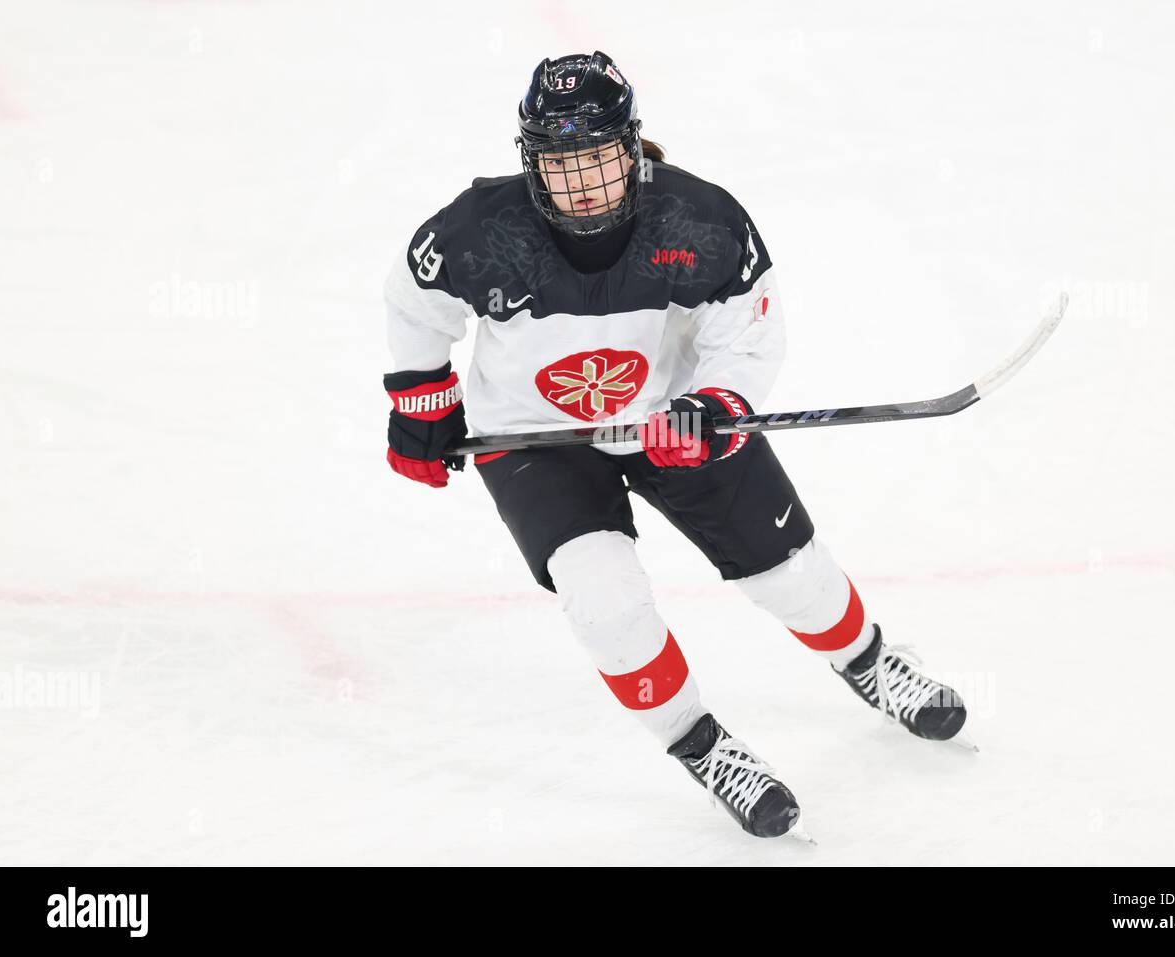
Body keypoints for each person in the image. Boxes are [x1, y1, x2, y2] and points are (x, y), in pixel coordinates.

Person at [382, 51, 967, 838]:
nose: (581, 184)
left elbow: (749, 330)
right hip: (537, 440)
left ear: (632, 149)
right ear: (530, 163)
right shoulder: (483, 230)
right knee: (605, 603)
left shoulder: (699, 221)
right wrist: (421, 395)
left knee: (793, 575)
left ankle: (868, 661)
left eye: (597, 159)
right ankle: (701, 744)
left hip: (673, 422)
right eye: (560, 166)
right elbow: (415, 295)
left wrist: (713, 406)